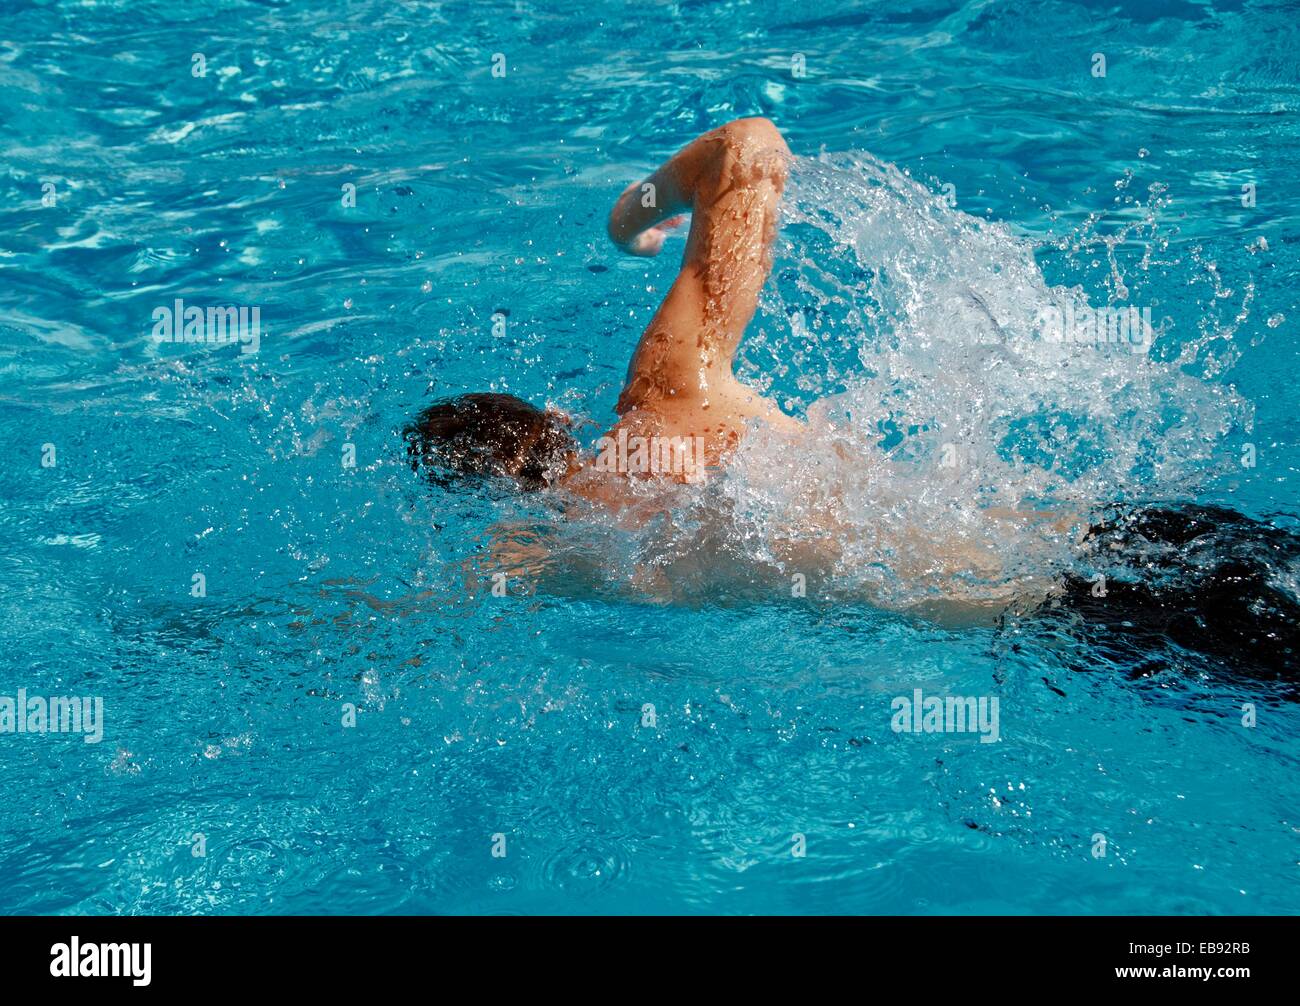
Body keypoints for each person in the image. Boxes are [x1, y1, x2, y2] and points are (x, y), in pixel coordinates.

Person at [405, 116, 800, 507]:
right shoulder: (670, 388)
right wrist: (626, 221)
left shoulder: (546, 556)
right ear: (560, 418)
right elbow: (747, 146)